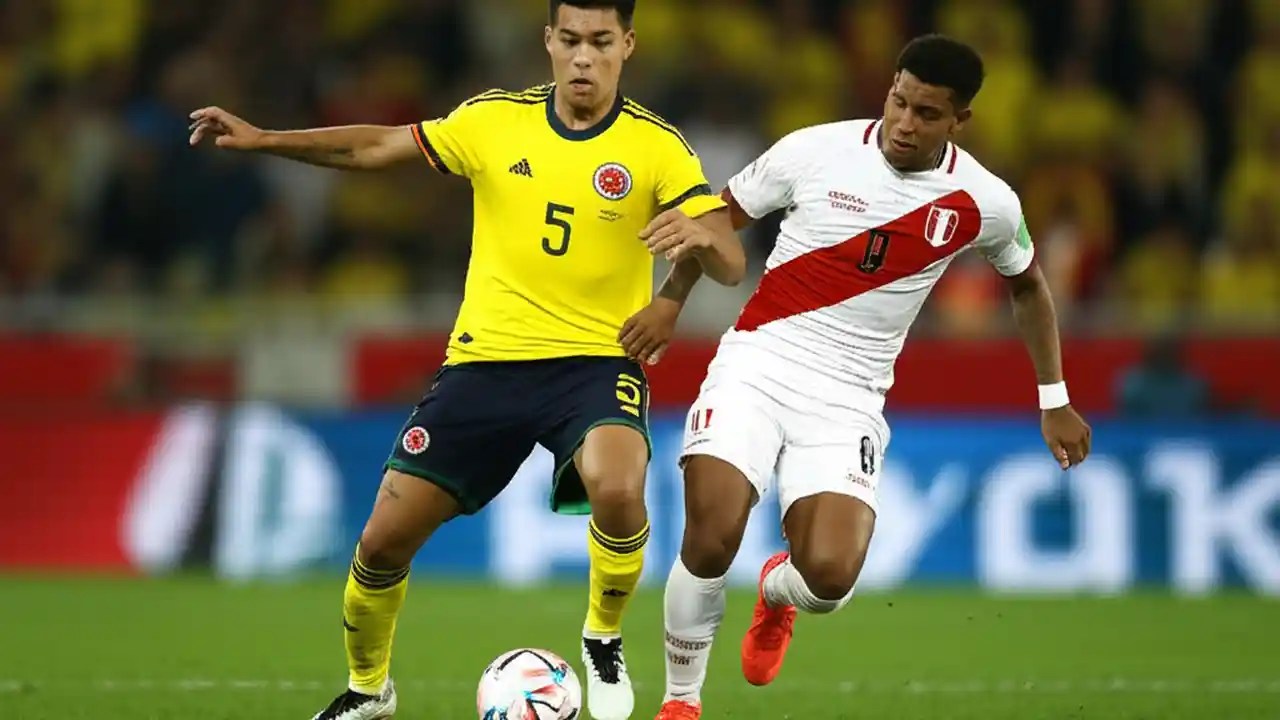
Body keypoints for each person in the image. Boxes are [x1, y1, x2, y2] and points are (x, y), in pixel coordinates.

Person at [189, 2, 745, 719]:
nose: (583, 58)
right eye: (570, 40)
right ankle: (370, 691)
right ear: (548, 41)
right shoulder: (493, 120)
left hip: (595, 365)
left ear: (627, 45)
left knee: (616, 485)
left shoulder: (657, 146)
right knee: (382, 542)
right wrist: (265, 138)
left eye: (601, 43)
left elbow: (730, 258)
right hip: (485, 366)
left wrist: (690, 263)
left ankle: (602, 639)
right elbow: (374, 149)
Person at [619, 34, 1094, 720]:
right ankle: (680, 702)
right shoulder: (813, 150)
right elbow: (716, 221)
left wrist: (1055, 399)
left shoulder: (986, 202)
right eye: (899, 101)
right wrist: (670, 302)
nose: (904, 122)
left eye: (927, 114)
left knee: (832, 580)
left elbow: (1028, 287)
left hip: (849, 399)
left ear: (959, 120)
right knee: (712, 529)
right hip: (759, 362)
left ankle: (778, 593)